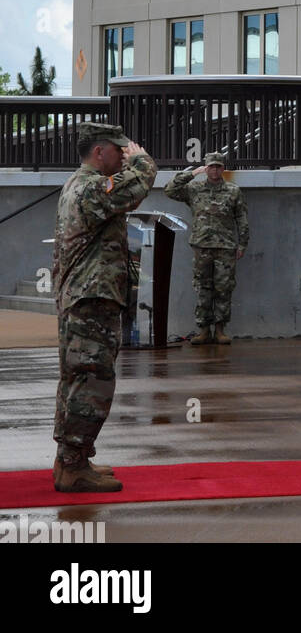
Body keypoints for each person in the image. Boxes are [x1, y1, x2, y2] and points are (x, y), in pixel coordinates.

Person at [52, 122, 157, 493]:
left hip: (83, 297)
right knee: (92, 381)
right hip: (91, 299)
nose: (123, 155)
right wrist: (142, 160)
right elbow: (136, 187)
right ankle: (73, 467)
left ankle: (72, 459)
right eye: (119, 149)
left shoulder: (75, 185)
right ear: (100, 152)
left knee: (77, 379)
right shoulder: (92, 188)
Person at [165, 152, 249, 344]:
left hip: (225, 246)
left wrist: (242, 243)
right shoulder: (194, 188)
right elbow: (170, 189)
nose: (215, 170)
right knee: (203, 288)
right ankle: (203, 329)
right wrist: (192, 173)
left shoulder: (232, 191)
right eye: (211, 166)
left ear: (223, 168)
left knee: (223, 288)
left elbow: (241, 218)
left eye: (218, 166)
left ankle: (220, 329)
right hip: (201, 245)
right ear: (206, 168)